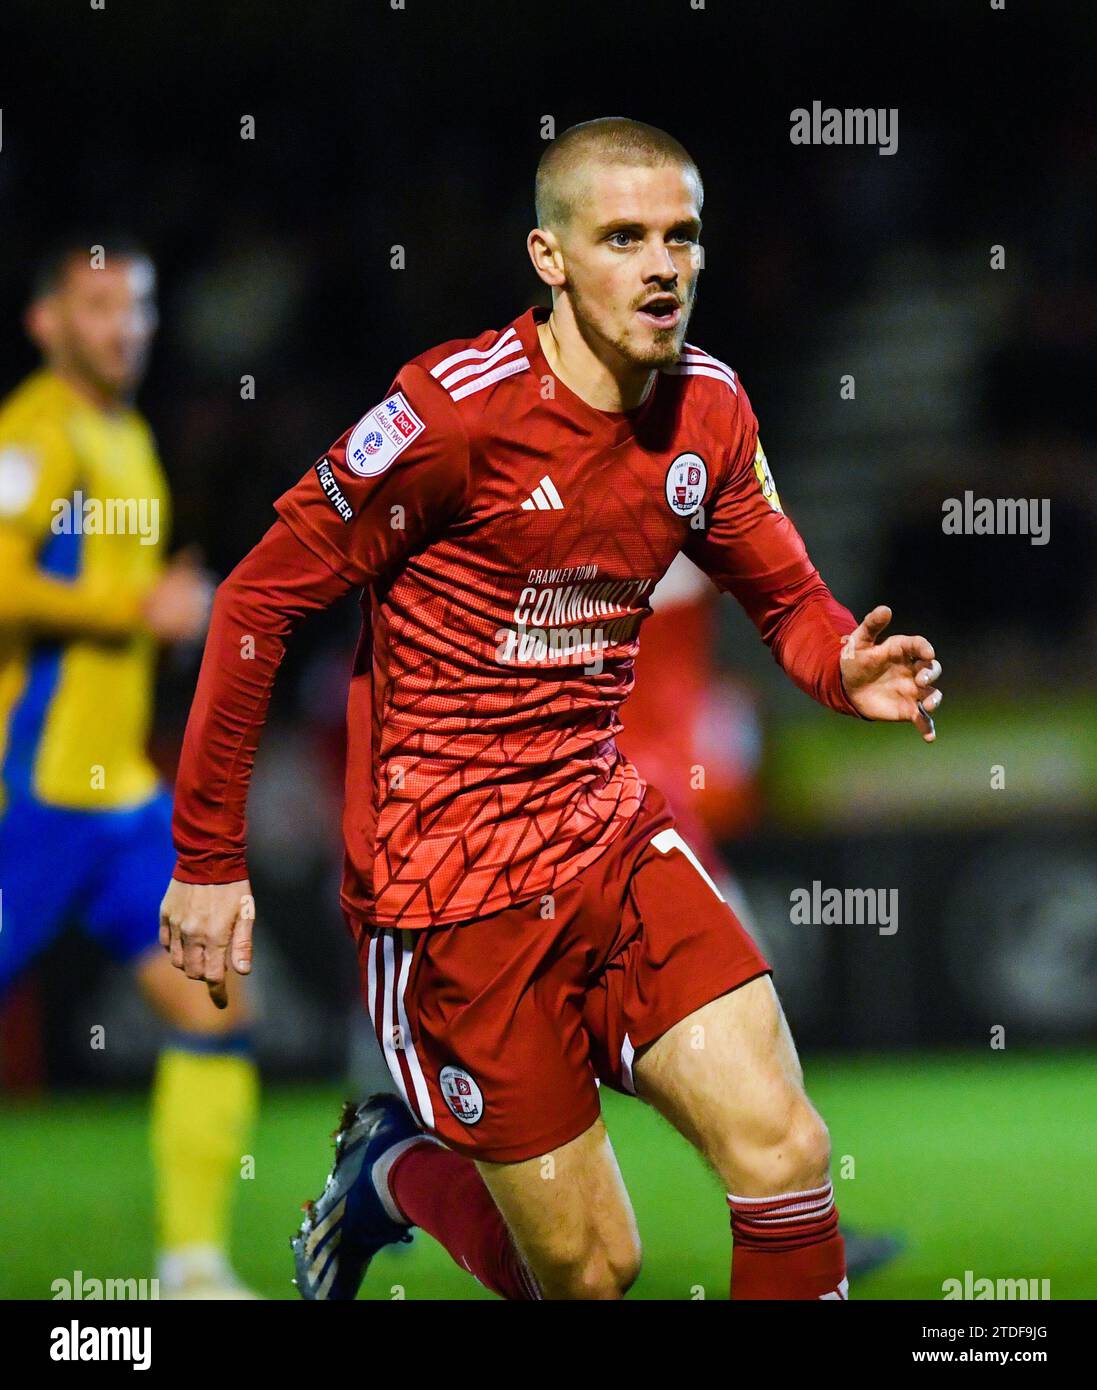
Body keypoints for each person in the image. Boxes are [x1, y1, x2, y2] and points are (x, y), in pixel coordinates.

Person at [161, 118, 943, 1301]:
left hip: (609, 832)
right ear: (549, 257)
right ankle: (396, 1171)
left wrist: (844, 666)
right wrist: (208, 858)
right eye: (622, 237)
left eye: (679, 235)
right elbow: (255, 604)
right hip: (450, 884)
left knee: (783, 1147)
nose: (661, 265)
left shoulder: (709, 411)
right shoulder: (447, 418)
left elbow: (787, 601)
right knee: (587, 1272)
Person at [0, 237, 258, 1299]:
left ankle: (192, 1265)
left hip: (121, 802)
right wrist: (134, 607)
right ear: (47, 322)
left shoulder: (129, 438)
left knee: (215, 1002)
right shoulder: (34, 430)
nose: (124, 326)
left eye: (138, 306)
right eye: (99, 305)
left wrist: (165, 612)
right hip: (32, 798)